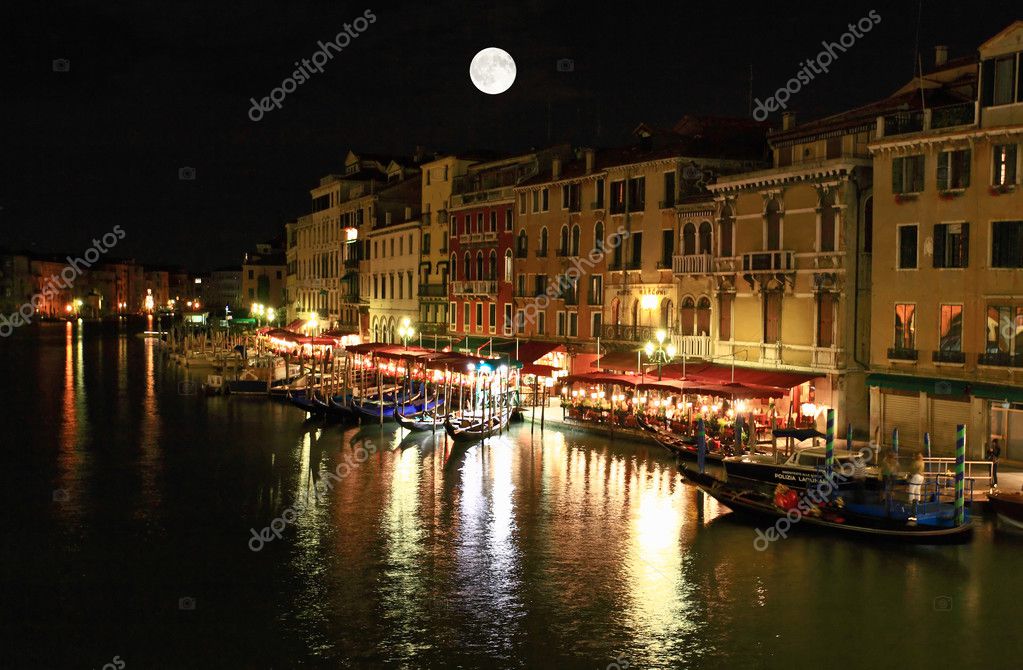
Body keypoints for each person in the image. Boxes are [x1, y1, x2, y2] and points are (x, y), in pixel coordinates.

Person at [881, 450, 899, 514]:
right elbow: (896, 469)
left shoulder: (886, 461)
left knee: (885, 487)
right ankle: (890, 499)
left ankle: (884, 499)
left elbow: (884, 469)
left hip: (887, 475)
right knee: (891, 488)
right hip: (893, 476)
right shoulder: (895, 462)